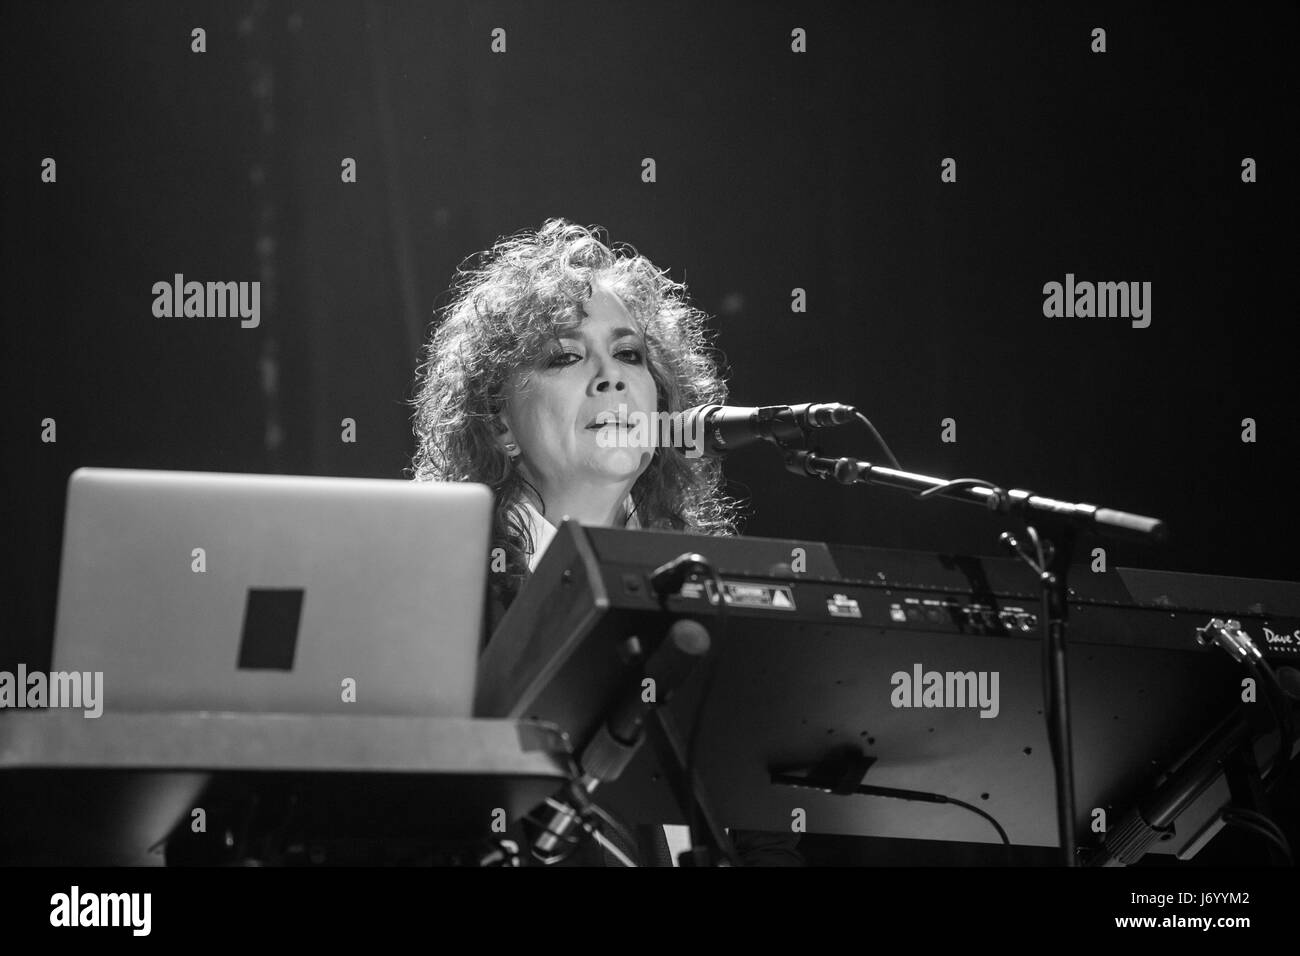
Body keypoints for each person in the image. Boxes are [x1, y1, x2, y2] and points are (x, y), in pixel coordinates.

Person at [410, 218, 801, 866]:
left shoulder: (715, 591)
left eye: (629, 354)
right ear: (500, 425)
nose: (610, 378)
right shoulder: (440, 588)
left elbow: (767, 828)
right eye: (566, 356)